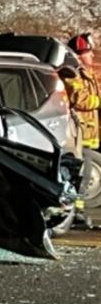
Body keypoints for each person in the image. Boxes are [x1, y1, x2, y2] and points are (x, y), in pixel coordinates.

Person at [65, 33, 100, 227]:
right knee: (79, 175)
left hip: (89, 133)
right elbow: (80, 99)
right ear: (78, 55)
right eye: (88, 52)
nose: (92, 55)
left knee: (84, 175)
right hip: (79, 133)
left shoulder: (87, 73)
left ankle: (76, 210)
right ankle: (72, 211)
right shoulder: (72, 73)